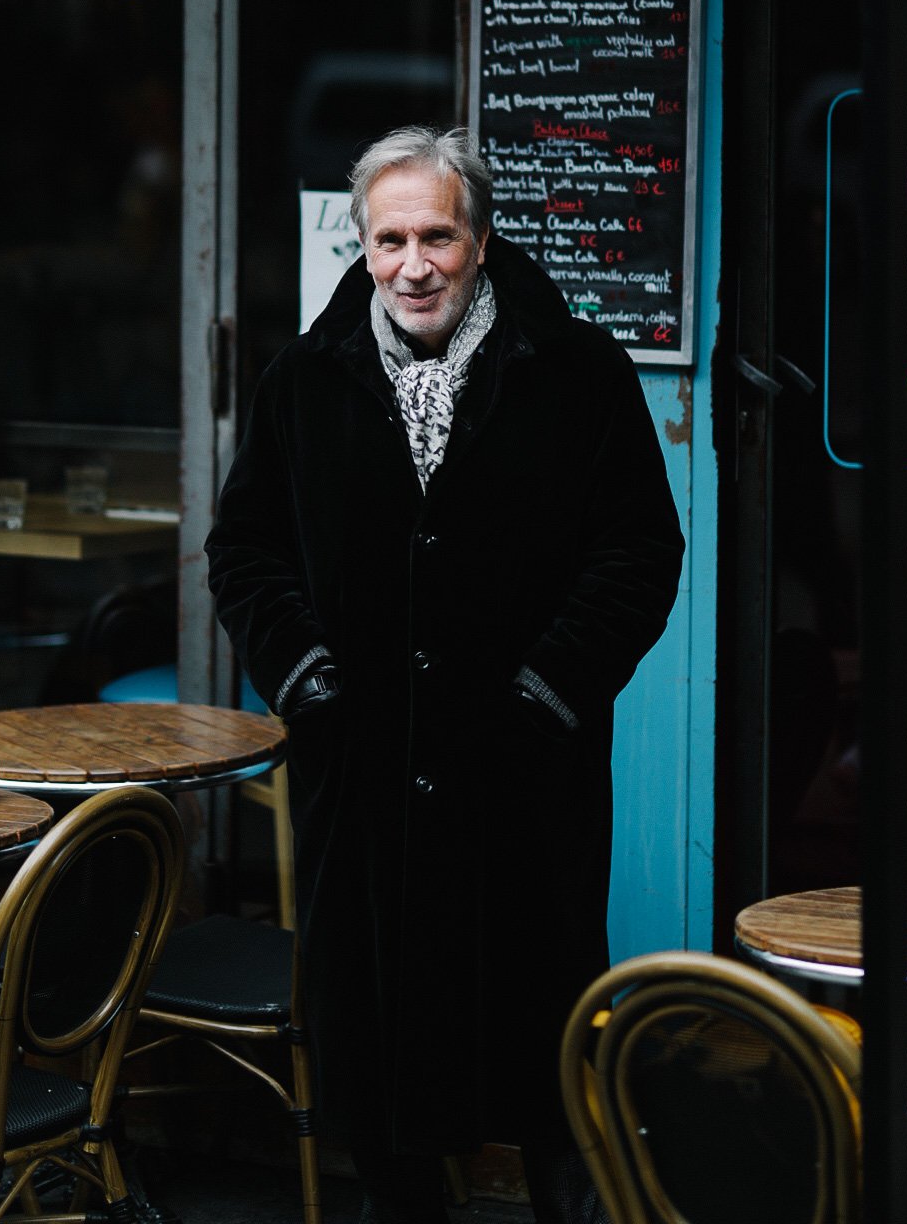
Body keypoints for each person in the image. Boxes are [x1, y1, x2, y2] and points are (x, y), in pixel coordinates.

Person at [207, 126, 684, 1223]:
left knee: (539, 1035)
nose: (411, 264)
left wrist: (543, 697)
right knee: (375, 1053)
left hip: (522, 778)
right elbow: (244, 550)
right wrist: (307, 677)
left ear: (478, 240)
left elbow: (636, 554)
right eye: (388, 240)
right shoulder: (304, 382)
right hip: (361, 777)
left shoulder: (576, 373)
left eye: (435, 236)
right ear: (361, 249)